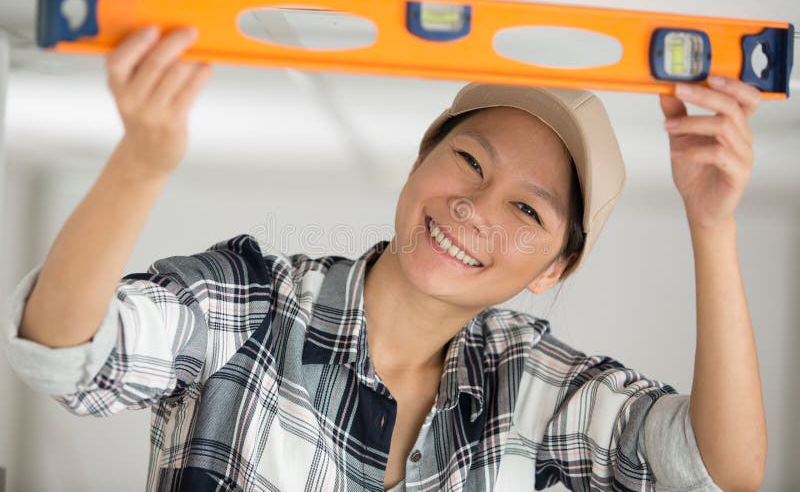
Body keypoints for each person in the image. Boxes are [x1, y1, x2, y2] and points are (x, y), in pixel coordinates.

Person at [1, 25, 766, 492]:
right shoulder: (251, 307)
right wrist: (142, 161)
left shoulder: (536, 388)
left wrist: (713, 223)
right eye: (469, 160)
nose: (475, 207)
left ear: (552, 271)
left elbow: (713, 472)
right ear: (418, 163)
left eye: (527, 209)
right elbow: (64, 351)